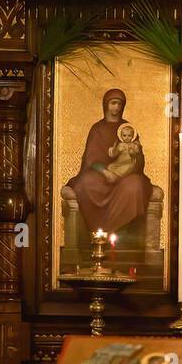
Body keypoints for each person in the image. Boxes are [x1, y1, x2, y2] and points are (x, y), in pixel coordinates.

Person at [62, 88, 152, 247]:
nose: (116, 108)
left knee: (135, 185)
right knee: (85, 183)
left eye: (120, 104)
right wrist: (106, 172)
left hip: (125, 175)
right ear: (106, 105)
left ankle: (120, 237)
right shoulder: (97, 129)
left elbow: (138, 161)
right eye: (113, 103)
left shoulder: (128, 128)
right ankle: (96, 236)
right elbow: (91, 159)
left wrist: (134, 156)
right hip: (101, 174)